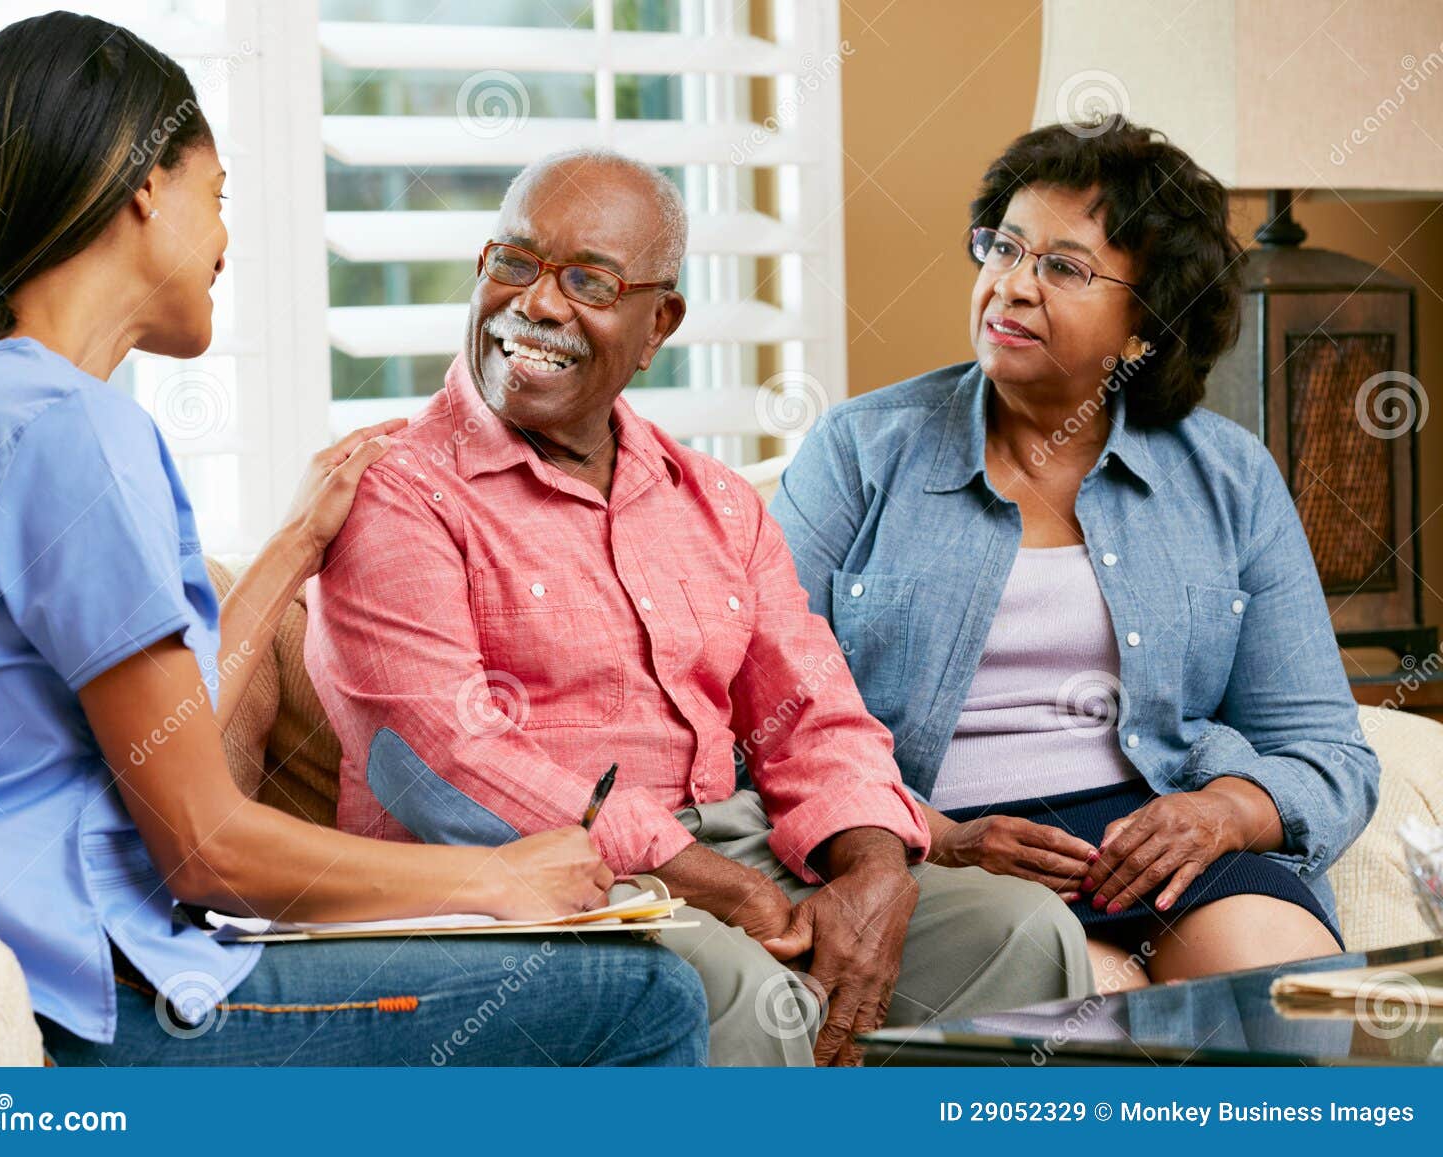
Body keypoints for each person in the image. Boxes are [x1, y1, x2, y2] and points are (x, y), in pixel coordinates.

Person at [0, 12, 707, 1067]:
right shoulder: (71, 428)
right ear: (145, 187)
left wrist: (296, 542)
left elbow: (166, 751)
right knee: (642, 995)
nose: (224, 239)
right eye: (219, 197)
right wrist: (495, 877)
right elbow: (204, 846)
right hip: (89, 1012)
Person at [304, 147, 1094, 1068]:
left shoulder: (714, 499)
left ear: (658, 322)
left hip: (732, 849)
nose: (538, 303)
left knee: (1019, 933)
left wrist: (874, 870)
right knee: (735, 987)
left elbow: (817, 717)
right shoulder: (399, 491)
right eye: (513, 263)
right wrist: (728, 891)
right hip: (531, 888)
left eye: (589, 281)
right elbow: (445, 764)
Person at [769, 118, 1379, 993]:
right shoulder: (862, 451)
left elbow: (1326, 749)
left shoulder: (1228, 475)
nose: (1010, 287)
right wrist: (933, 835)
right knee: (1103, 1018)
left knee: (1284, 991)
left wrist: (1223, 812)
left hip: (1161, 843)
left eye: (1063, 267)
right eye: (1003, 248)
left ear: (1146, 326)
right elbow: (766, 713)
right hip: (945, 847)